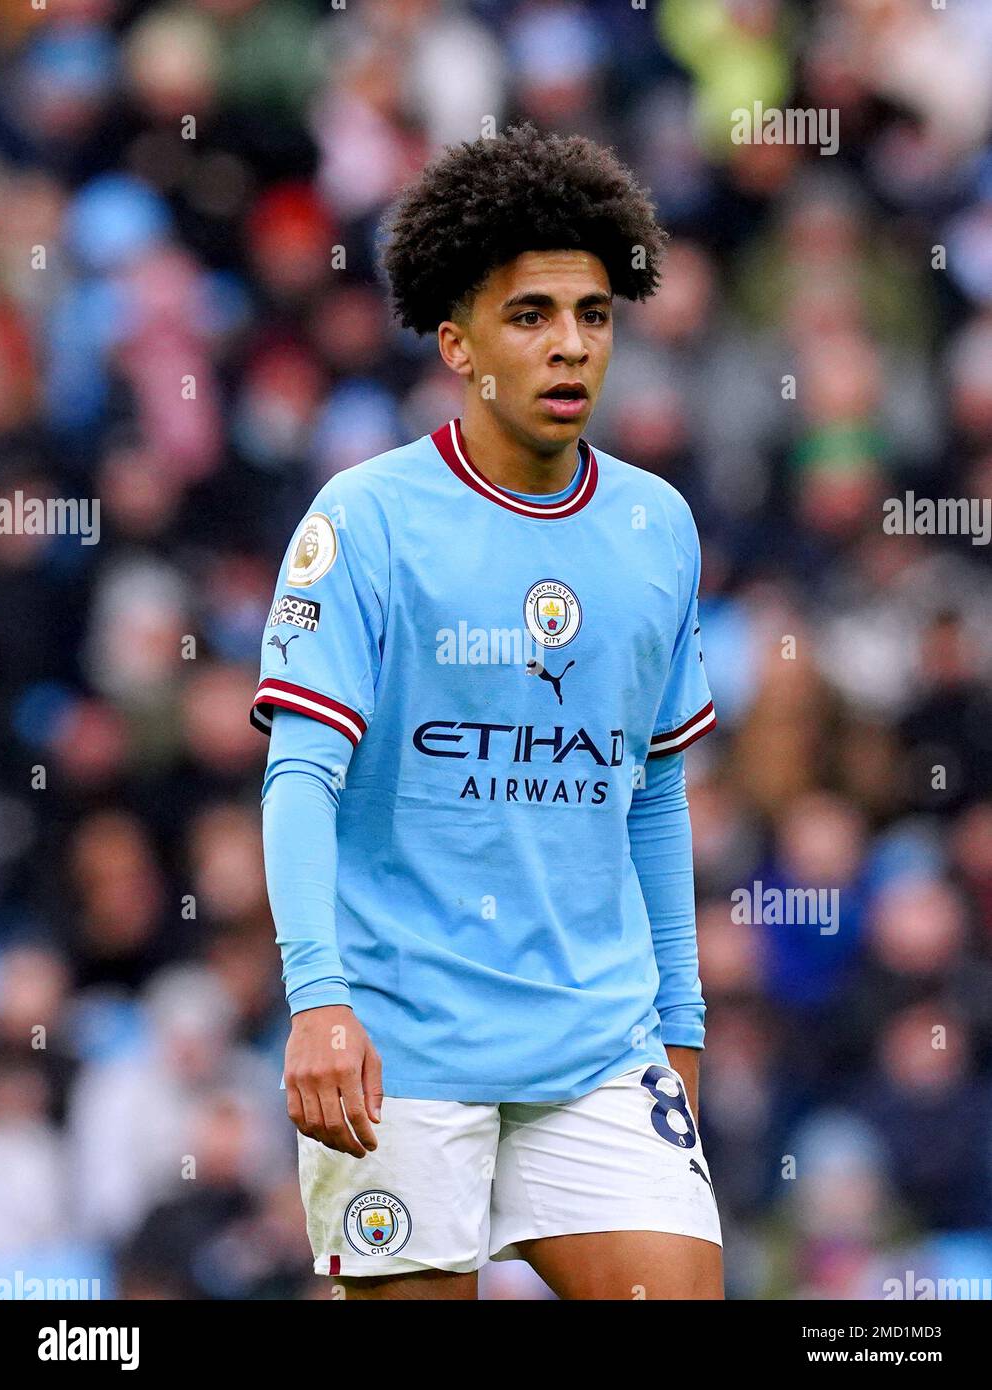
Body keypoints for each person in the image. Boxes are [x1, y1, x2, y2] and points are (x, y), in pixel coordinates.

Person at [253, 123, 722, 1300]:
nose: (569, 345)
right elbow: (299, 777)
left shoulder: (655, 526)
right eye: (530, 316)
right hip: (400, 1047)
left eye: (593, 313)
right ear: (458, 344)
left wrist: (682, 1019)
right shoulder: (361, 520)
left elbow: (650, 790)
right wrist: (317, 1000)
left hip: (597, 1046)